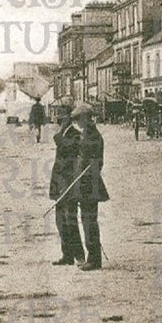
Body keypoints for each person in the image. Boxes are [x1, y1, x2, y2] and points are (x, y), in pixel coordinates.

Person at [71, 102, 110, 271]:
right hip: (83, 184)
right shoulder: (87, 134)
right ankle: (92, 257)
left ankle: (94, 260)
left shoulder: (93, 136)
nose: (77, 123)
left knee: (89, 222)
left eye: (79, 119)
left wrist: (89, 170)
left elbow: (96, 161)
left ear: (86, 119)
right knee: (87, 221)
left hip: (90, 184)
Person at [49, 104, 85, 266]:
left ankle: (79, 255)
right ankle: (67, 255)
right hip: (59, 181)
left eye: (62, 115)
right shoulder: (63, 133)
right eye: (58, 115)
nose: (59, 118)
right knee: (60, 220)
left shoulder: (75, 135)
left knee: (70, 219)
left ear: (69, 117)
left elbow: (66, 147)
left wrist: (58, 135)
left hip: (70, 183)